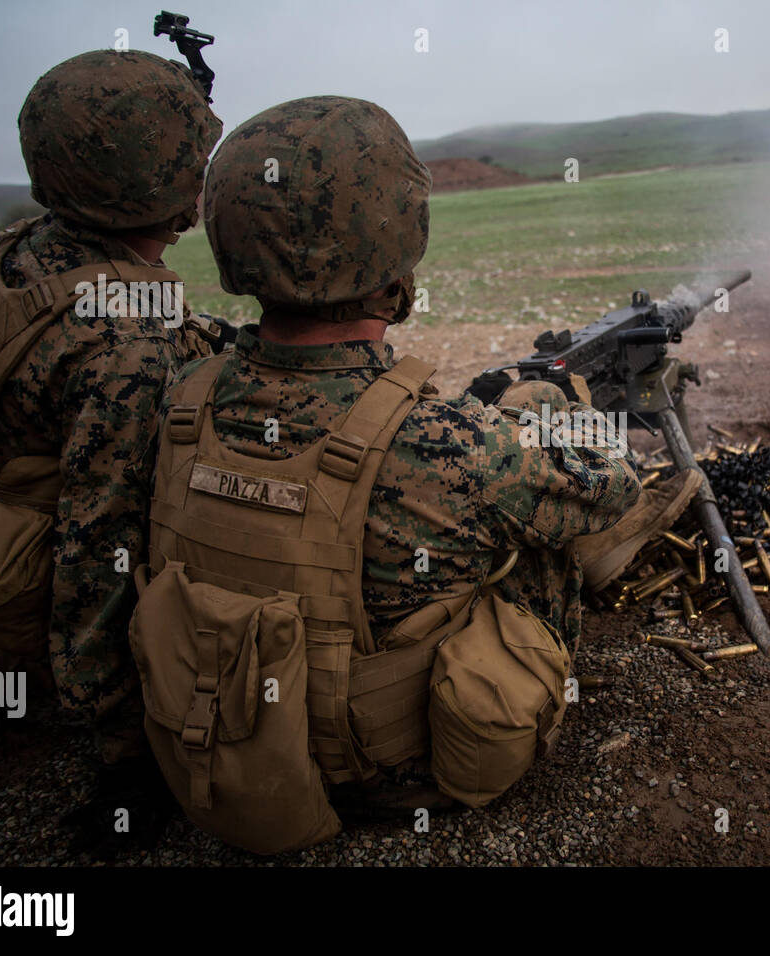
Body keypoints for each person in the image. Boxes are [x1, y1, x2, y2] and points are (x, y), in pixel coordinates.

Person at [134, 95, 645, 850]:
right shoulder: (449, 441)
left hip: (228, 737)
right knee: (537, 538)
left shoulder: (186, 392)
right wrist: (555, 406)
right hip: (393, 772)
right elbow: (612, 488)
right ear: (394, 259)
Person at [0, 49, 223, 856]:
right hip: (27, 577)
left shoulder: (22, 252)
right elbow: (102, 548)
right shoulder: (129, 345)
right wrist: (132, 750)